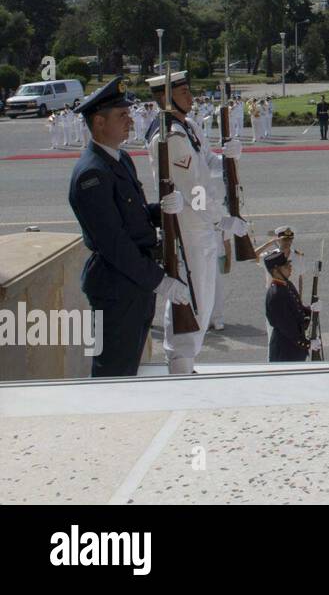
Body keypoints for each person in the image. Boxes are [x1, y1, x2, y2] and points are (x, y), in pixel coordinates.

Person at [67, 77, 191, 377]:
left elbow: (132, 216)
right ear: (98, 123)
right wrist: (159, 281)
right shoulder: (91, 176)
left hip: (134, 285)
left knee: (129, 368)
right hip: (115, 288)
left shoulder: (119, 158)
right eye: (121, 116)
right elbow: (114, 244)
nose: (130, 121)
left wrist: (160, 212)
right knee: (113, 373)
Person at [146, 70, 249, 374]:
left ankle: (186, 361)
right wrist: (223, 221)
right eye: (184, 93)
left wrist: (229, 155)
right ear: (166, 97)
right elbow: (196, 189)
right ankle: (180, 363)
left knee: (201, 296)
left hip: (203, 222)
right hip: (190, 226)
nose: (191, 98)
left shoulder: (186, 126)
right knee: (193, 298)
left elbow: (207, 165)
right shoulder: (171, 136)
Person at [264, 250, 311, 362]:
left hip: (294, 348)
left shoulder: (287, 285)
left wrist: (310, 310)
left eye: (289, 264)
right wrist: (306, 344)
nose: (290, 268)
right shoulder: (276, 295)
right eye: (286, 266)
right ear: (275, 271)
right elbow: (287, 327)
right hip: (285, 351)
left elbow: (296, 309)